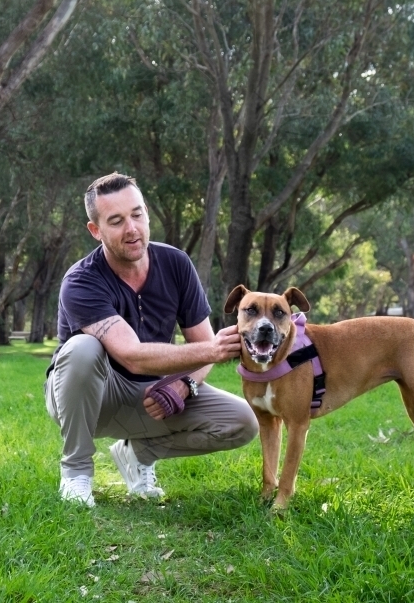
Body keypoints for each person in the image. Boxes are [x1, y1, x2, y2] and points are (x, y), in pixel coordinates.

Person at [44, 172, 259, 506]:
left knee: (242, 422)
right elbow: (131, 355)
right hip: (92, 397)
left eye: (137, 214)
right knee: (83, 349)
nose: (131, 228)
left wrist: (184, 384)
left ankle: (138, 454)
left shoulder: (176, 263)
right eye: (116, 221)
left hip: (151, 397)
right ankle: (76, 473)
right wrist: (214, 349)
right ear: (95, 230)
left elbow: (202, 351)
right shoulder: (81, 281)